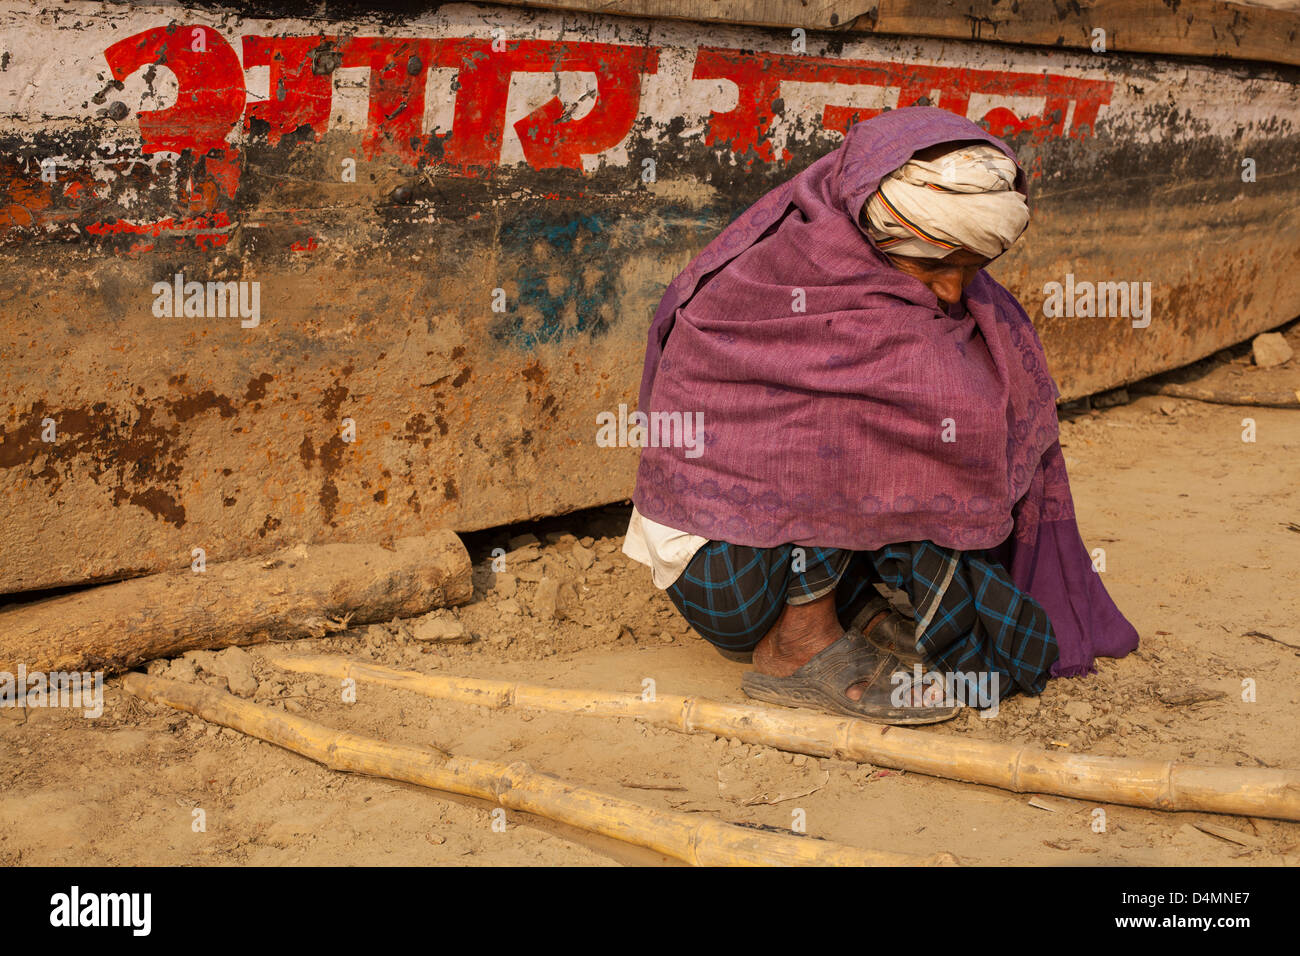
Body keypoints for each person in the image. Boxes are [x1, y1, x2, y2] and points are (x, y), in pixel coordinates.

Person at [622, 107, 1138, 724]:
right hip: (730, 581)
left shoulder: (938, 295)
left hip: (820, 567)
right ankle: (798, 644)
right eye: (935, 265)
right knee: (846, 424)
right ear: (876, 231)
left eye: (970, 267)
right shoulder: (765, 288)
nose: (952, 290)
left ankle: (858, 612)